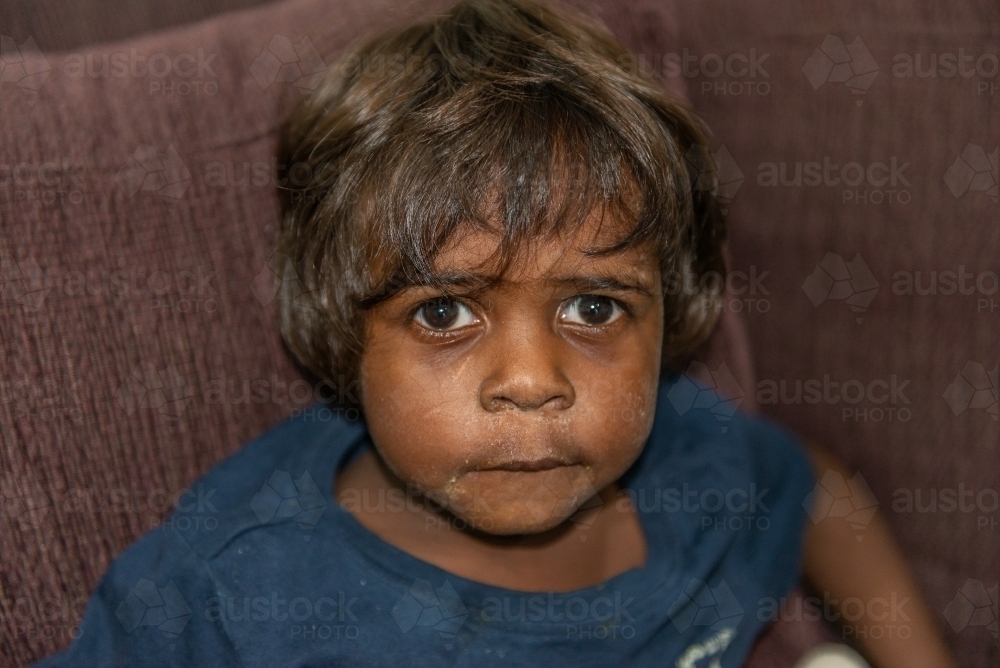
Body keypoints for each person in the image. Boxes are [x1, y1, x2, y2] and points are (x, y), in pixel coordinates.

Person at [36, 0, 956, 665]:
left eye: (593, 308)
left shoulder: (692, 468)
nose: (530, 377)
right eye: (444, 312)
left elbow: (813, 490)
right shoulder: (231, 596)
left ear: (670, 311)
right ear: (338, 332)